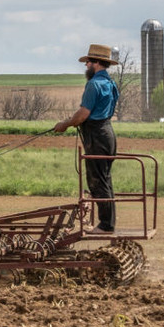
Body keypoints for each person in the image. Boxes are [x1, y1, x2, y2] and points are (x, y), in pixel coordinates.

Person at [53, 43, 119, 233]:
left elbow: (83, 114)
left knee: (97, 181)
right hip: (107, 133)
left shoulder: (94, 84)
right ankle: (108, 223)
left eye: (88, 62)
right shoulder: (111, 84)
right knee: (105, 179)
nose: (86, 65)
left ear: (96, 63)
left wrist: (65, 124)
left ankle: (105, 225)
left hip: (96, 135)